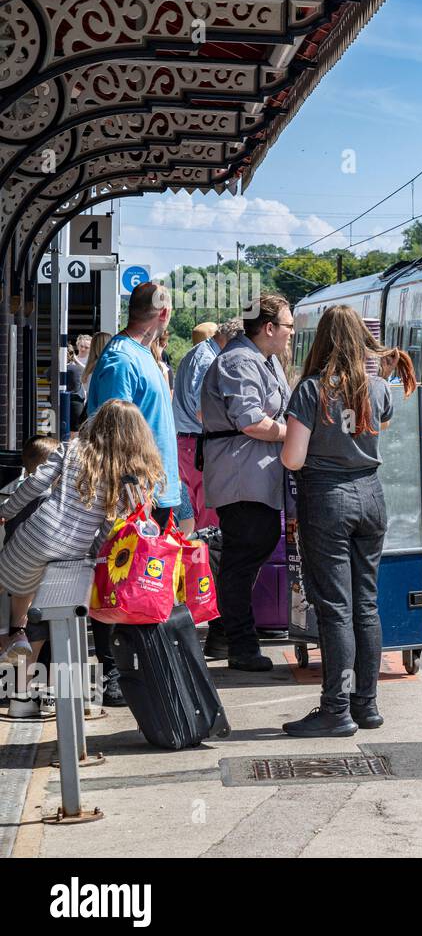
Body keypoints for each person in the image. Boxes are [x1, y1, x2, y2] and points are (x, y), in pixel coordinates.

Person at [280, 304, 415, 736]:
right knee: (367, 603)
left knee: (335, 608)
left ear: (321, 340)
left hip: (327, 502)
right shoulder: (378, 389)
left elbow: (293, 457)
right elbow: (375, 434)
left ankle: (335, 711)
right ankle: (366, 705)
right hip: (372, 499)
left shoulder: (310, 391)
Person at [0, 402, 164, 673]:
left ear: (98, 422)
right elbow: (110, 527)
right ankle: (20, 638)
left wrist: (6, 510)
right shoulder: (128, 474)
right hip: (75, 551)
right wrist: (92, 555)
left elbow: (35, 484)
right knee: (41, 590)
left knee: (10, 581)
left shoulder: (72, 448)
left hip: (39, 535)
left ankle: (16, 631)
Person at [85, 284, 183, 704]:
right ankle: (111, 671)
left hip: (156, 489)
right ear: (162, 314)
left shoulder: (144, 356)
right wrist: (129, 490)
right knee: (117, 580)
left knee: (143, 583)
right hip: (134, 491)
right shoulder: (122, 360)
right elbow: (110, 431)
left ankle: (137, 665)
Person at [199, 295, 293, 671]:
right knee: (243, 557)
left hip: (256, 476)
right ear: (268, 329)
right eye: (288, 326)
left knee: (249, 553)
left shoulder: (264, 359)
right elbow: (251, 420)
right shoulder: (239, 361)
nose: (291, 333)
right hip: (242, 477)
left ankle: (228, 634)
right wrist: (297, 436)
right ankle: (239, 642)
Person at [173, 319, 241, 531]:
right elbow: (204, 412)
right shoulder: (207, 361)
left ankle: (199, 562)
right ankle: (208, 563)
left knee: (195, 516)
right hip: (198, 445)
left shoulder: (199, 353)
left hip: (189, 444)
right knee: (209, 520)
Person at [67, 335, 91, 400]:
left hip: (86, 395)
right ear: (77, 345)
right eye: (81, 346)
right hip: (72, 394)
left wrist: (75, 360)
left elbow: (86, 371)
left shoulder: (91, 361)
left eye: (86, 347)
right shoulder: (71, 359)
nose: (83, 349)